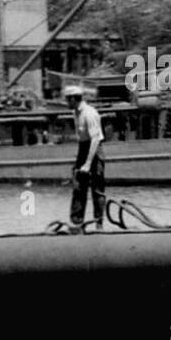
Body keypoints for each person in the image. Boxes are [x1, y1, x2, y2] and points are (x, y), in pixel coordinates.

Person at [64, 85, 105, 231]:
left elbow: (95, 139)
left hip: (94, 151)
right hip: (83, 148)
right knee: (79, 186)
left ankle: (98, 224)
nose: (66, 102)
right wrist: (79, 160)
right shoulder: (76, 113)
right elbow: (83, 139)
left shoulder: (89, 113)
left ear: (73, 99)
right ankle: (77, 223)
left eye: (67, 99)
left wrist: (87, 163)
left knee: (97, 189)